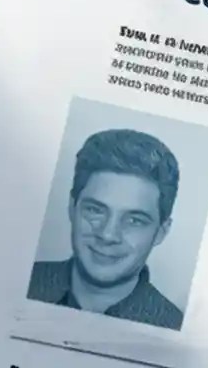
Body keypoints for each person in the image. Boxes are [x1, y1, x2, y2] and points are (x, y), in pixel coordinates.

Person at [27, 129, 185, 330]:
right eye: (95, 210)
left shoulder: (173, 329)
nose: (107, 234)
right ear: (72, 207)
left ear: (161, 232)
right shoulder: (17, 281)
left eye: (135, 220)